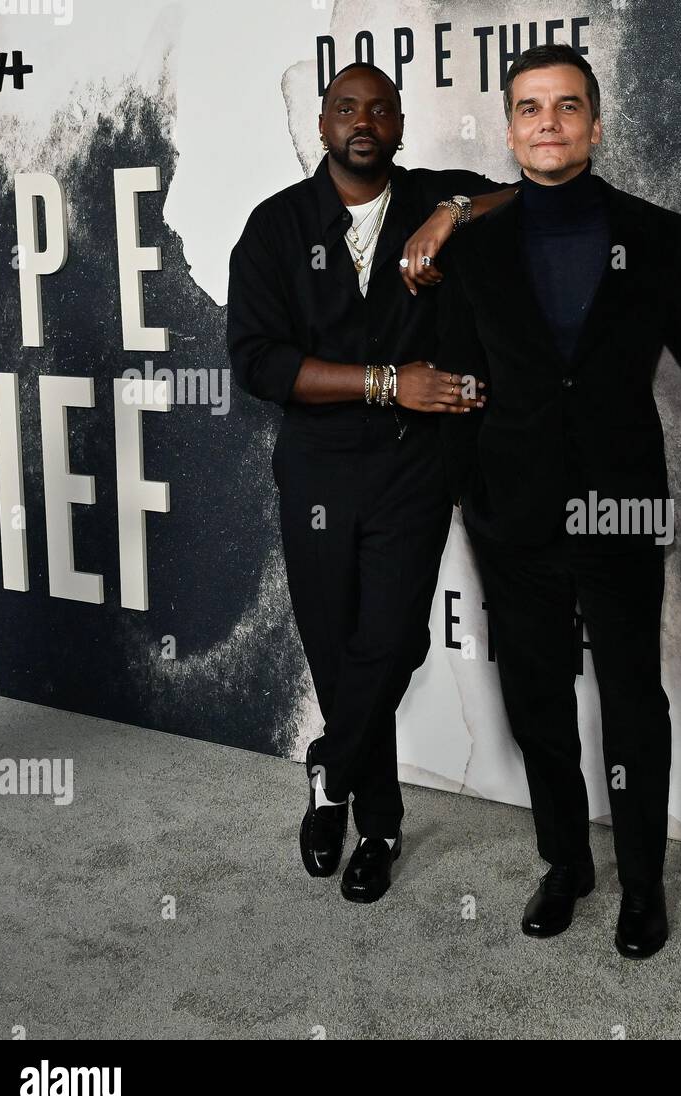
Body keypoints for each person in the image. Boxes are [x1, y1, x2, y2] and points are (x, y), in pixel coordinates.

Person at [434, 44, 681, 958]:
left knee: (635, 698)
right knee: (537, 698)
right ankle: (565, 863)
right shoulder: (469, 244)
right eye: (529, 107)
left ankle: (642, 882)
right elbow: (456, 375)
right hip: (510, 511)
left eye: (566, 107)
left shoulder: (662, 232)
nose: (547, 122)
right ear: (511, 126)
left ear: (596, 125)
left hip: (622, 508)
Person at [226, 61, 513, 904]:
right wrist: (389, 380)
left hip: (413, 466)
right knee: (337, 648)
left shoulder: (435, 193)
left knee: (388, 643)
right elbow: (258, 361)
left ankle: (330, 770)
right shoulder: (276, 226)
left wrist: (453, 215)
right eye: (346, 108)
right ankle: (378, 824)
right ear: (322, 125)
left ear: (399, 123)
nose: (363, 121)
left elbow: (529, 196)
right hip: (317, 466)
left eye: (380, 109)